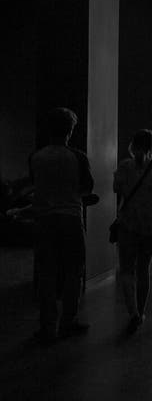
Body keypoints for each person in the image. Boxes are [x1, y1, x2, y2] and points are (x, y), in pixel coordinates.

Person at [29, 107, 94, 343]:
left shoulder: (37, 157)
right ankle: (69, 321)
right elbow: (87, 187)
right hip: (70, 218)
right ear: (70, 130)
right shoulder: (77, 157)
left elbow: (35, 185)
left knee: (46, 272)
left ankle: (47, 326)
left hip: (44, 219)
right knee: (73, 271)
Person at [113, 129, 152, 332]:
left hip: (128, 224)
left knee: (127, 270)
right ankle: (141, 310)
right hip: (150, 225)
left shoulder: (125, 166)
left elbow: (117, 189)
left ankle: (133, 312)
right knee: (144, 270)